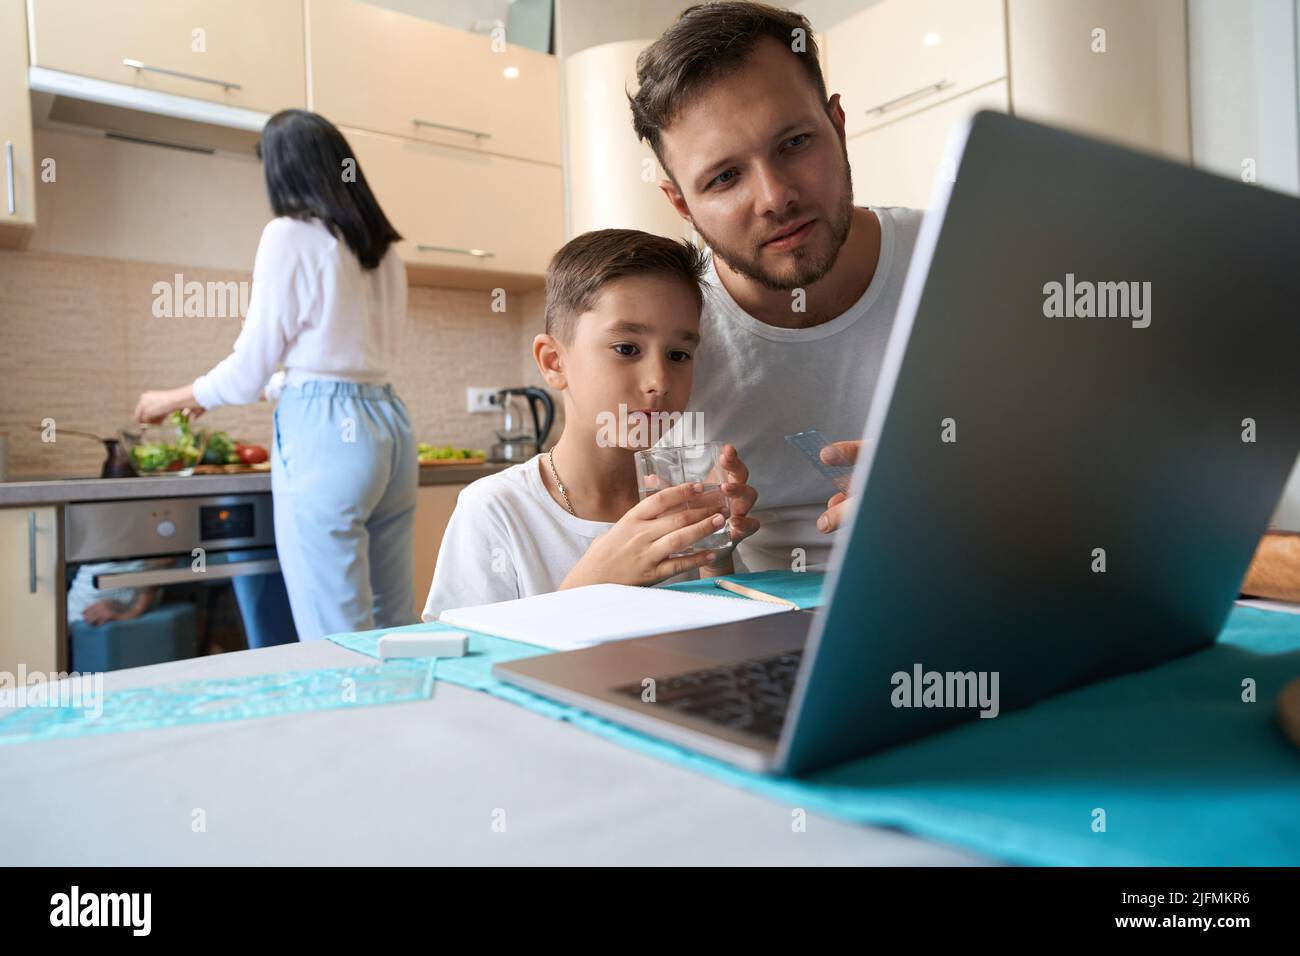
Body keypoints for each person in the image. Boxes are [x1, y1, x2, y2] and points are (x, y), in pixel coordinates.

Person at [629, 1, 925, 572]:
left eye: (794, 143)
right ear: (680, 204)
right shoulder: (669, 340)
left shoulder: (963, 255)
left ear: (837, 126)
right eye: (723, 177)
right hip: (763, 636)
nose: (774, 197)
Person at [133, 110, 416, 641]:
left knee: (334, 634)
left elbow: (248, 369)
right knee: (394, 625)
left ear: (284, 171)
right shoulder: (384, 250)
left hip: (327, 436)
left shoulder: (290, 234)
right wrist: (266, 386)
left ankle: (347, 722)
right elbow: (337, 358)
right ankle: (411, 722)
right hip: (391, 427)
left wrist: (170, 397)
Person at [422, 229, 759, 619]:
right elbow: (462, 668)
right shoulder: (496, 510)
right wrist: (593, 584)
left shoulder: (682, 506)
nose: (660, 382)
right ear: (554, 362)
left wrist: (715, 557)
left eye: (679, 354)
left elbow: (720, 649)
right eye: (627, 349)